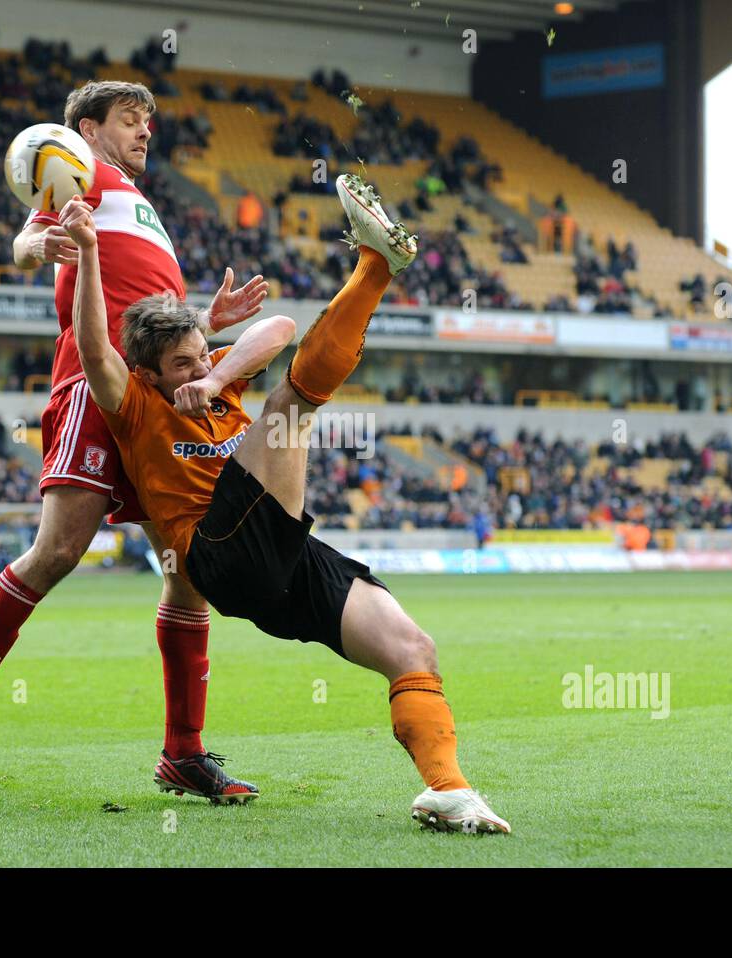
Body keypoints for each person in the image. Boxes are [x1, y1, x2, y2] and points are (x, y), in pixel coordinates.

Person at [57, 174, 509, 833]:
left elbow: (280, 325)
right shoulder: (135, 406)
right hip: (215, 554)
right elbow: (95, 348)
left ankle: (449, 790)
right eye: (180, 366)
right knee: (289, 409)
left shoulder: (217, 382)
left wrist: (215, 372)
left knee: (412, 647)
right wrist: (90, 249)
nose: (194, 370)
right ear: (149, 376)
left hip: (278, 559)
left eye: (198, 355)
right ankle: (377, 266)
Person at [0, 80, 269, 801]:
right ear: (87, 126)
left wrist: (208, 323)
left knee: (186, 570)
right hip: (95, 378)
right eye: (130, 120)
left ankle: (183, 753)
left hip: (153, 395)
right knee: (57, 552)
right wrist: (35, 244)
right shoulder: (77, 167)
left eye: (149, 122)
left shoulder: (142, 207)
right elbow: (27, 241)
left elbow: (149, 314)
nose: (146, 133)